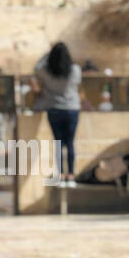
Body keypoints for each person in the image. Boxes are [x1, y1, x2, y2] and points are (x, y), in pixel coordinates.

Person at [31, 41, 82, 181]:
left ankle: (60, 173)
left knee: (58, 142)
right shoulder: (75, 70)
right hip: (72, 108)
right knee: (70, 142)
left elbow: (36, 68)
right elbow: (78, 82)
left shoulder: (46, 71)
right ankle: (70, 174)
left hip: (54, 109)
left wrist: (48, 53)